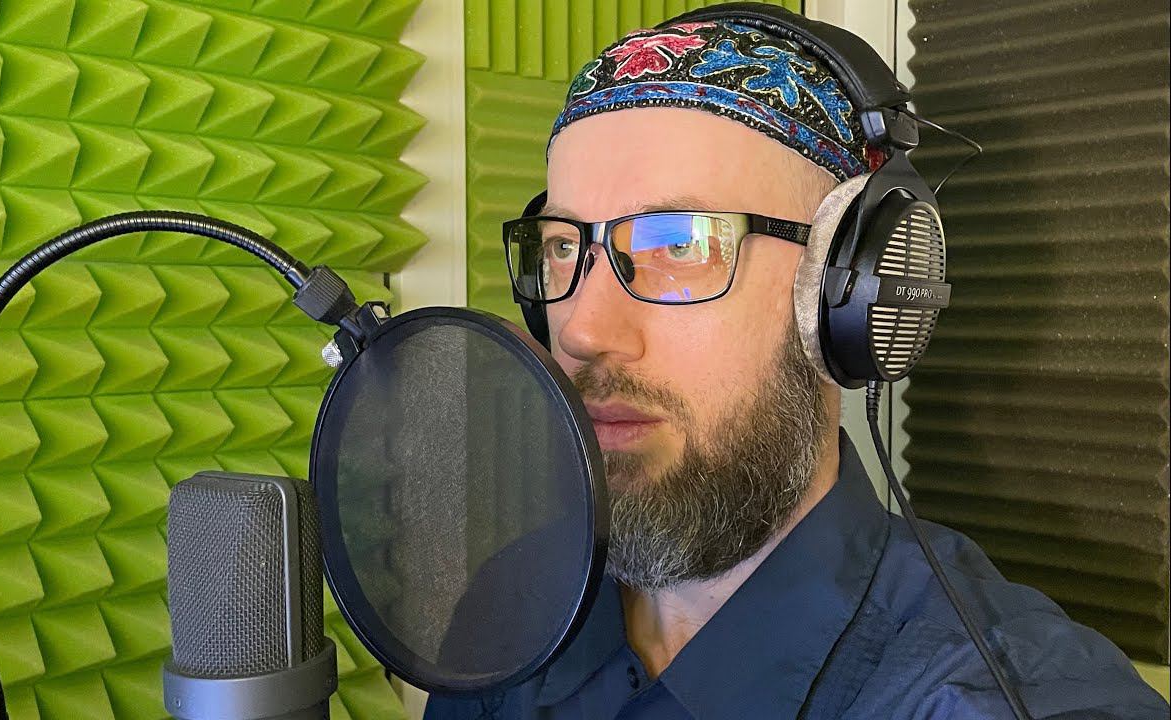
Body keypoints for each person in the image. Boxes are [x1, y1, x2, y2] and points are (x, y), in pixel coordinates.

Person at [425, 7, 1169, 719]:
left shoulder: (995, 699)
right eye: (564, 246)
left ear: (848, 294)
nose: (584, 331)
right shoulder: (512, 603)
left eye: (679, 243)